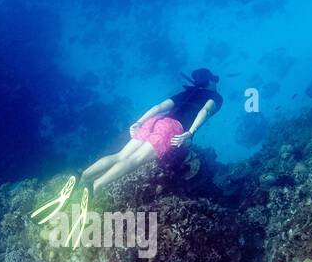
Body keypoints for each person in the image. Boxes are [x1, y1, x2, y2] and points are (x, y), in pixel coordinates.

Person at [80, 68, 223, 193]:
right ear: (210, 81)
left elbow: (158, 107)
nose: (216, 82)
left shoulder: (187, 92)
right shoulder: (215, 96)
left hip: (155, 121)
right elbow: (205, 110)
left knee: (120, 155)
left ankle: (83, 178)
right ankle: (97, 185)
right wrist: (190, 132)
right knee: (135, 160)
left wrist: (138, 122)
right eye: (215, 79)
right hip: (171, 128)